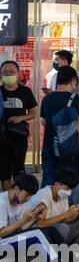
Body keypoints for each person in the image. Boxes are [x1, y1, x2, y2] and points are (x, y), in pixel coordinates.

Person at [40, 66, 79, 187]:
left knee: (49, 182)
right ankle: (71, 206)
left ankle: (49, 205)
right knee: (72, 183)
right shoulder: (74, 98)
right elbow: (77, 125)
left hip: (49, 146)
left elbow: (44, 122)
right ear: (73, 81)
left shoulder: (47, 99)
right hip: (70, 148)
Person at [1, 60, 38, 190]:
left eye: (12, 71)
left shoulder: (25, 91)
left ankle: (17, 203)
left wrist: (20, 118)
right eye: (5, 72)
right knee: (4, 173)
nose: (9, 74)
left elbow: (33, 113)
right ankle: (8, 202)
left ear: (17, 74)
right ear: (1, 75)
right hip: (2, 138)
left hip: (19, 137)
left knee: (19, 171)